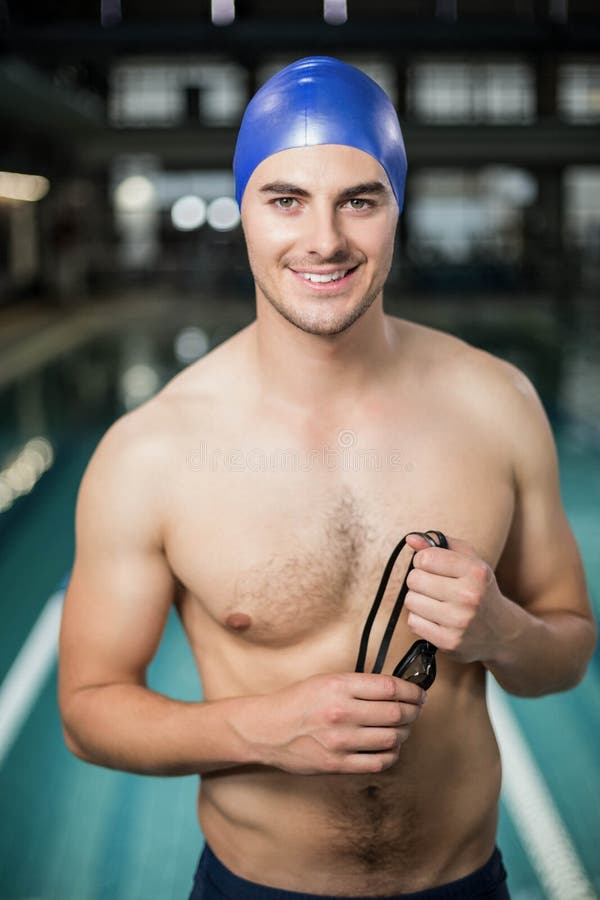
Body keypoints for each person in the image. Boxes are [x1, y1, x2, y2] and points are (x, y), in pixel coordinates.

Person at [58, 57, 596, 899]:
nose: (324, 240)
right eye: (286, 200)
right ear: (243, 212)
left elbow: (567, 650)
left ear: (396, 210)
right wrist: (263, 730)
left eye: (359, 199)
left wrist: (501, 632)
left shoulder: (499, 404)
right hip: (255, 884)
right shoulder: (151, 452)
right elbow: (89, 712)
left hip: (463, 882)